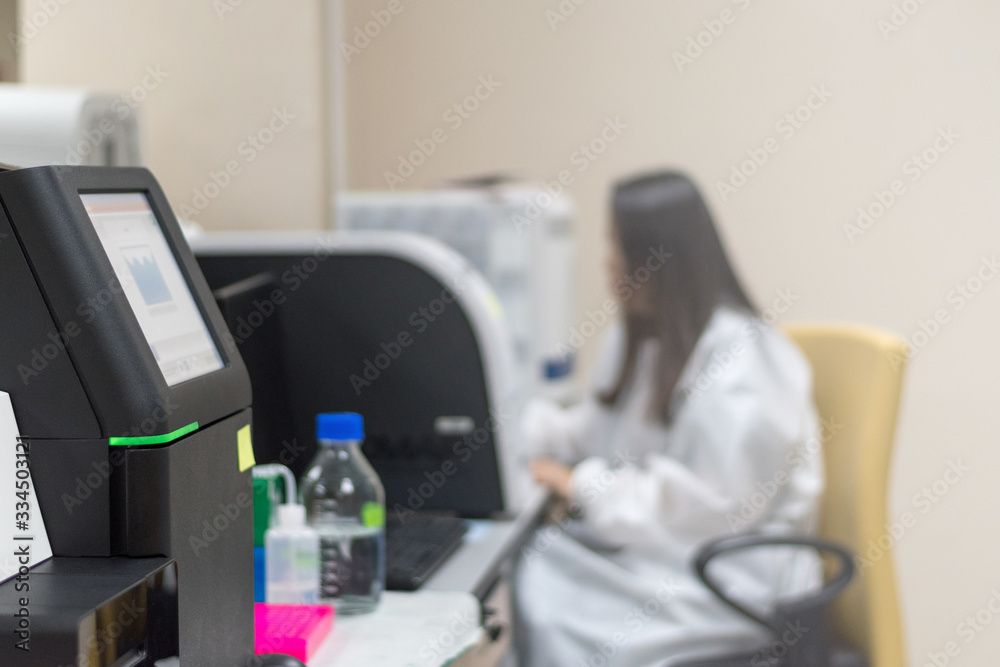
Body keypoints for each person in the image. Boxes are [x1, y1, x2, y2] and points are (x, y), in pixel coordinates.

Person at [513, 171, 824, 666]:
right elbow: (593, 432)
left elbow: (708, 506)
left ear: (662, 260)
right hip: (669, 558)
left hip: (728, 578)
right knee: (528, 570)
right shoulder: (648, 342)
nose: (608, 263)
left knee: (542, 602)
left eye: (619, 246)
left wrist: (578, 486)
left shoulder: (743, 362)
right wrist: (502, 432)